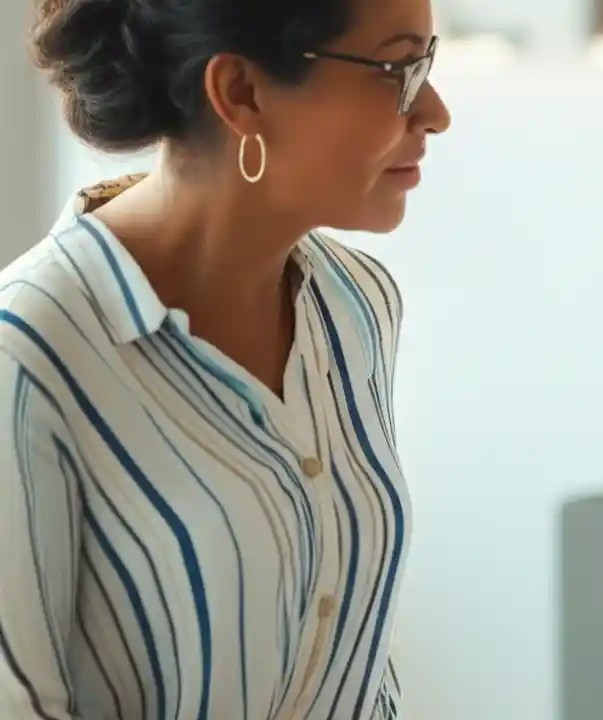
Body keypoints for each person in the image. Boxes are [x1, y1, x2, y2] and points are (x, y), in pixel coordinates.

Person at [1, 0, 449, 716]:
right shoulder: (27, 356)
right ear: (240, 92)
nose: (434, 110)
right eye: (397, 69)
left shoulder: (358, 303)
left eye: (426, 66)